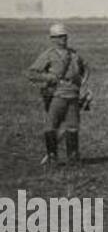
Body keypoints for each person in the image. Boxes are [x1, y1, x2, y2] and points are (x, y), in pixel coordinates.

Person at [26, 22, 89, 165]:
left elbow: (86, 68)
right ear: (52, 39)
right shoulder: (48, 55)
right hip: (56, 95)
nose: (63, 39)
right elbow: (31, 73)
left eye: (65, 36)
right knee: (51, 127)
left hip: (73, 95)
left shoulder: (74, 54)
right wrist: (50, 78)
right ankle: (52, 158)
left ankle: (73, 158)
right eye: (59, 37)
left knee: (73, 127)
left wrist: (84, 85)